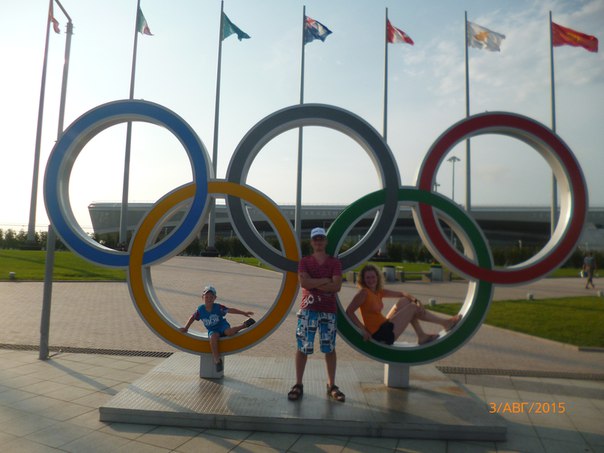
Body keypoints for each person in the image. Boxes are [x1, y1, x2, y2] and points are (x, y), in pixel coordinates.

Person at [288, 227, 345, 402]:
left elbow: (336, 286)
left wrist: (313, 283)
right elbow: (304, 283)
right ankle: (298, 383)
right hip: (308, 309)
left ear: (325, 241)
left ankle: (331, 385)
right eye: (316, 239)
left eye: (321, 238)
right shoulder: (304, 261)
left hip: (328, 310)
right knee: (302, 347)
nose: (318, 241)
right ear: (312, 242)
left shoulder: (334, 262)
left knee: (330, 348)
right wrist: (326, 281)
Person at [346, 264, 462, 346]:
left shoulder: (378, 291)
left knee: (405, 301)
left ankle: (421, 335)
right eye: (368, 277)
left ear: (377, 277)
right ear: (363, 280)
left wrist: (416, 300)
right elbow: (349, 311)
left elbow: (402, 293)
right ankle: (445, 323)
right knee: (412, 308)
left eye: (373, 277)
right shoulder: (364, 293)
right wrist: (363, 330)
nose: (371, 280)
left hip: (384, 324)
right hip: (381, 333)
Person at [180, 285, 255, 372]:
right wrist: (186, 327)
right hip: (213, 330)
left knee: (229, 332)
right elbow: (192, 318)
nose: (209, 299)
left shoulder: (218, 307)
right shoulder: (200, 310)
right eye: (207, 297)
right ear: (202, 297)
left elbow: (230, 310)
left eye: (211, 297)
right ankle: (217, 360)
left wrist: (243, 313)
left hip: (222, 326)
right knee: (213, 338)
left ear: (215, 298)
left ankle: (245, 324)